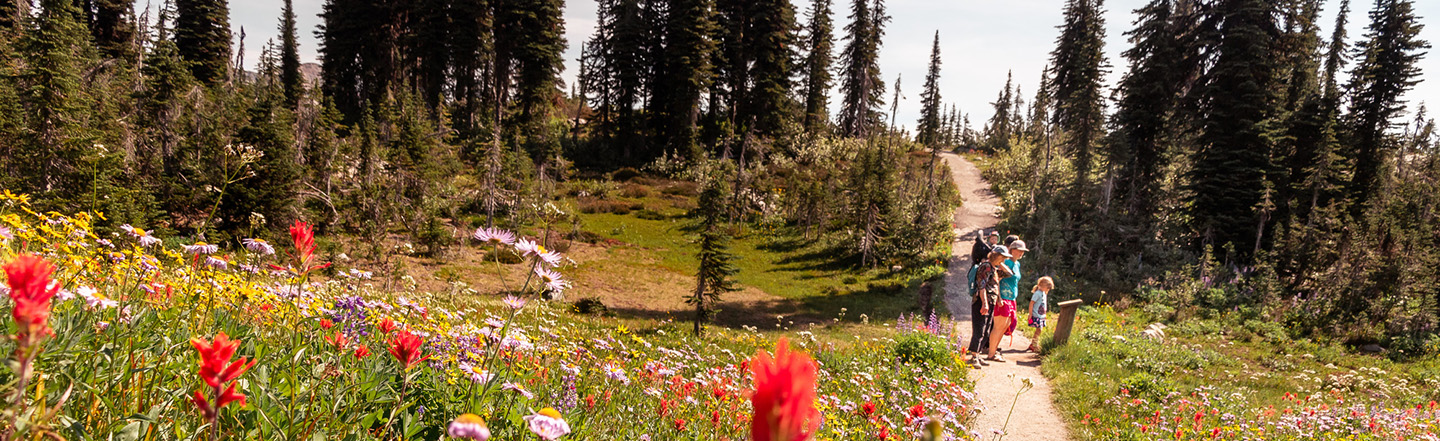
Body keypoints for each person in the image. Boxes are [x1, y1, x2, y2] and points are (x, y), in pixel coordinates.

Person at [968, 246, 1012, 366]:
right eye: (1002, 257)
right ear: (996, 255)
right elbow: (981, 286)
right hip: (982, 302)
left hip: (990, 302)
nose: (1004, 260)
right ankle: (973, 356)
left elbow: (1009, 274)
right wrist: (984, 303)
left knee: (986, 331)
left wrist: (998, 299)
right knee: (980, 329)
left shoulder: (993, 269)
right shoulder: (985, 267)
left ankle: (977, 354)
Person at [987, 239, 1028, 362]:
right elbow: (997, 280)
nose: (1021, 253)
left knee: (1005, 326)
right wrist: (999, 297)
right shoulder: (1006, 263)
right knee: (998, 326)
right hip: (1003, 297)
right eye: (1019, 250)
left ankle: (994, 351)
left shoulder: (1017, 264)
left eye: (1023, 251)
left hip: (1011, 298)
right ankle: (991, 353)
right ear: (1012, 250)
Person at [1026, 276, 1054, 352]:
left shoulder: (1044, 293)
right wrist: (1030, 314)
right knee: (1039, 329)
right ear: (1043, 285)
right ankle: (1034, 344)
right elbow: (1031, 303)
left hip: (1041, 315)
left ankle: (1034, 344)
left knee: (1039, 329)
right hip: (1036, 315)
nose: (1048, 289)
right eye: (1047, 287)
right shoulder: (1037, 293)